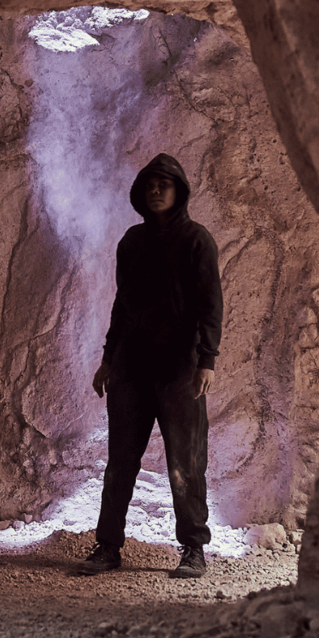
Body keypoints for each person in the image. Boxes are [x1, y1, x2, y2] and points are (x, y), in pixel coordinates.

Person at [76, 153, 221, 579]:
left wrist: (206, 360)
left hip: (180, 368)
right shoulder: (132, 242)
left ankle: (193, 549)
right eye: (150, 184)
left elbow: (211, 305)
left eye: (165, 184)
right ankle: (107, 547)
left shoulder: (198, 240)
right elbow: (122, 305)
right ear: (140, 193)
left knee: (187, 460)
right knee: (121, 459)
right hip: (131, 368)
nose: (156, 190)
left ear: (179, 192)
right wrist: (108, 358)